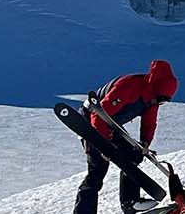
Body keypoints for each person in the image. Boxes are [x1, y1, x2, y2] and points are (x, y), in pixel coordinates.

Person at [74, 60, 178, 214]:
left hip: (110, 123)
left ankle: (130, 201)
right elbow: (98, 114)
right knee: (98, 170)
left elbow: (149, 123)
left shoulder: (153, 99)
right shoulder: (129, 86)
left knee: (133, 155)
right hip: (91, 121)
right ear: (154, 88)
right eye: (160, 99)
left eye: (164, 101)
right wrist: (104, 145)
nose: (159, 103)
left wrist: (145, 143)